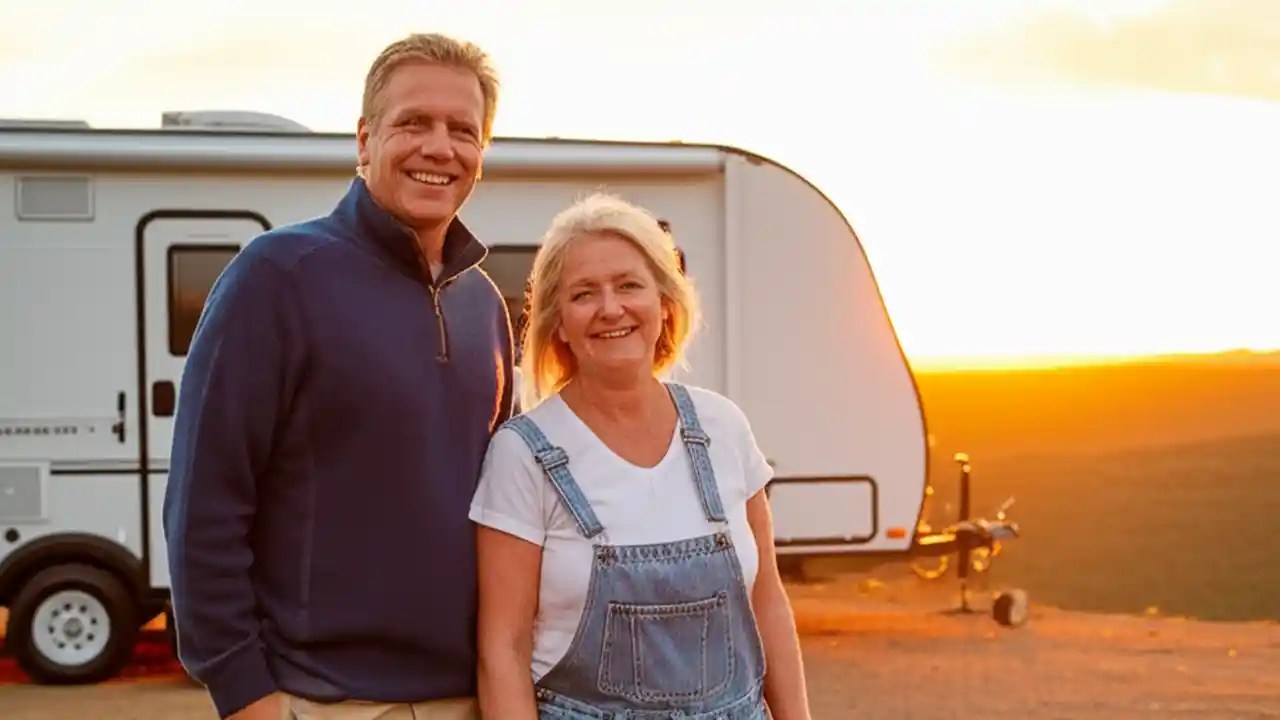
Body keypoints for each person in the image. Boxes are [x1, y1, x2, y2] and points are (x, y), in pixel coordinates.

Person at [162, 33, 512, 720]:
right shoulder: (278, 276)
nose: (439, 147)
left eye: (462, 130)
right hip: (324, 701)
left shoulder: (485, 306)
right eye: (413, 122)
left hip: (470, 698)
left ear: (481, 154)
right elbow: (204, 504)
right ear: (364, 140)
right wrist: (245, 694)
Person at [470, 193, 812, 719]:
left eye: (629, 285)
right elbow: (503, 650)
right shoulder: (523, 453)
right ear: (557, 321)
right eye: (584, 293)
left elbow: (767, 599)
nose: (611, 308)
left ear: (665, 303)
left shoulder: (724, 427)